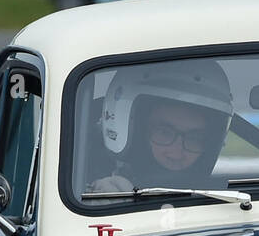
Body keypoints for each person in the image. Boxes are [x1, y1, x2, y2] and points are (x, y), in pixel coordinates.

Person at [88, 60, 234, 193]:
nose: (177, 152)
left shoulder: (228, 202)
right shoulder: (85, 195)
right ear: (135, 131)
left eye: (194, 138)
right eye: (165, 132)